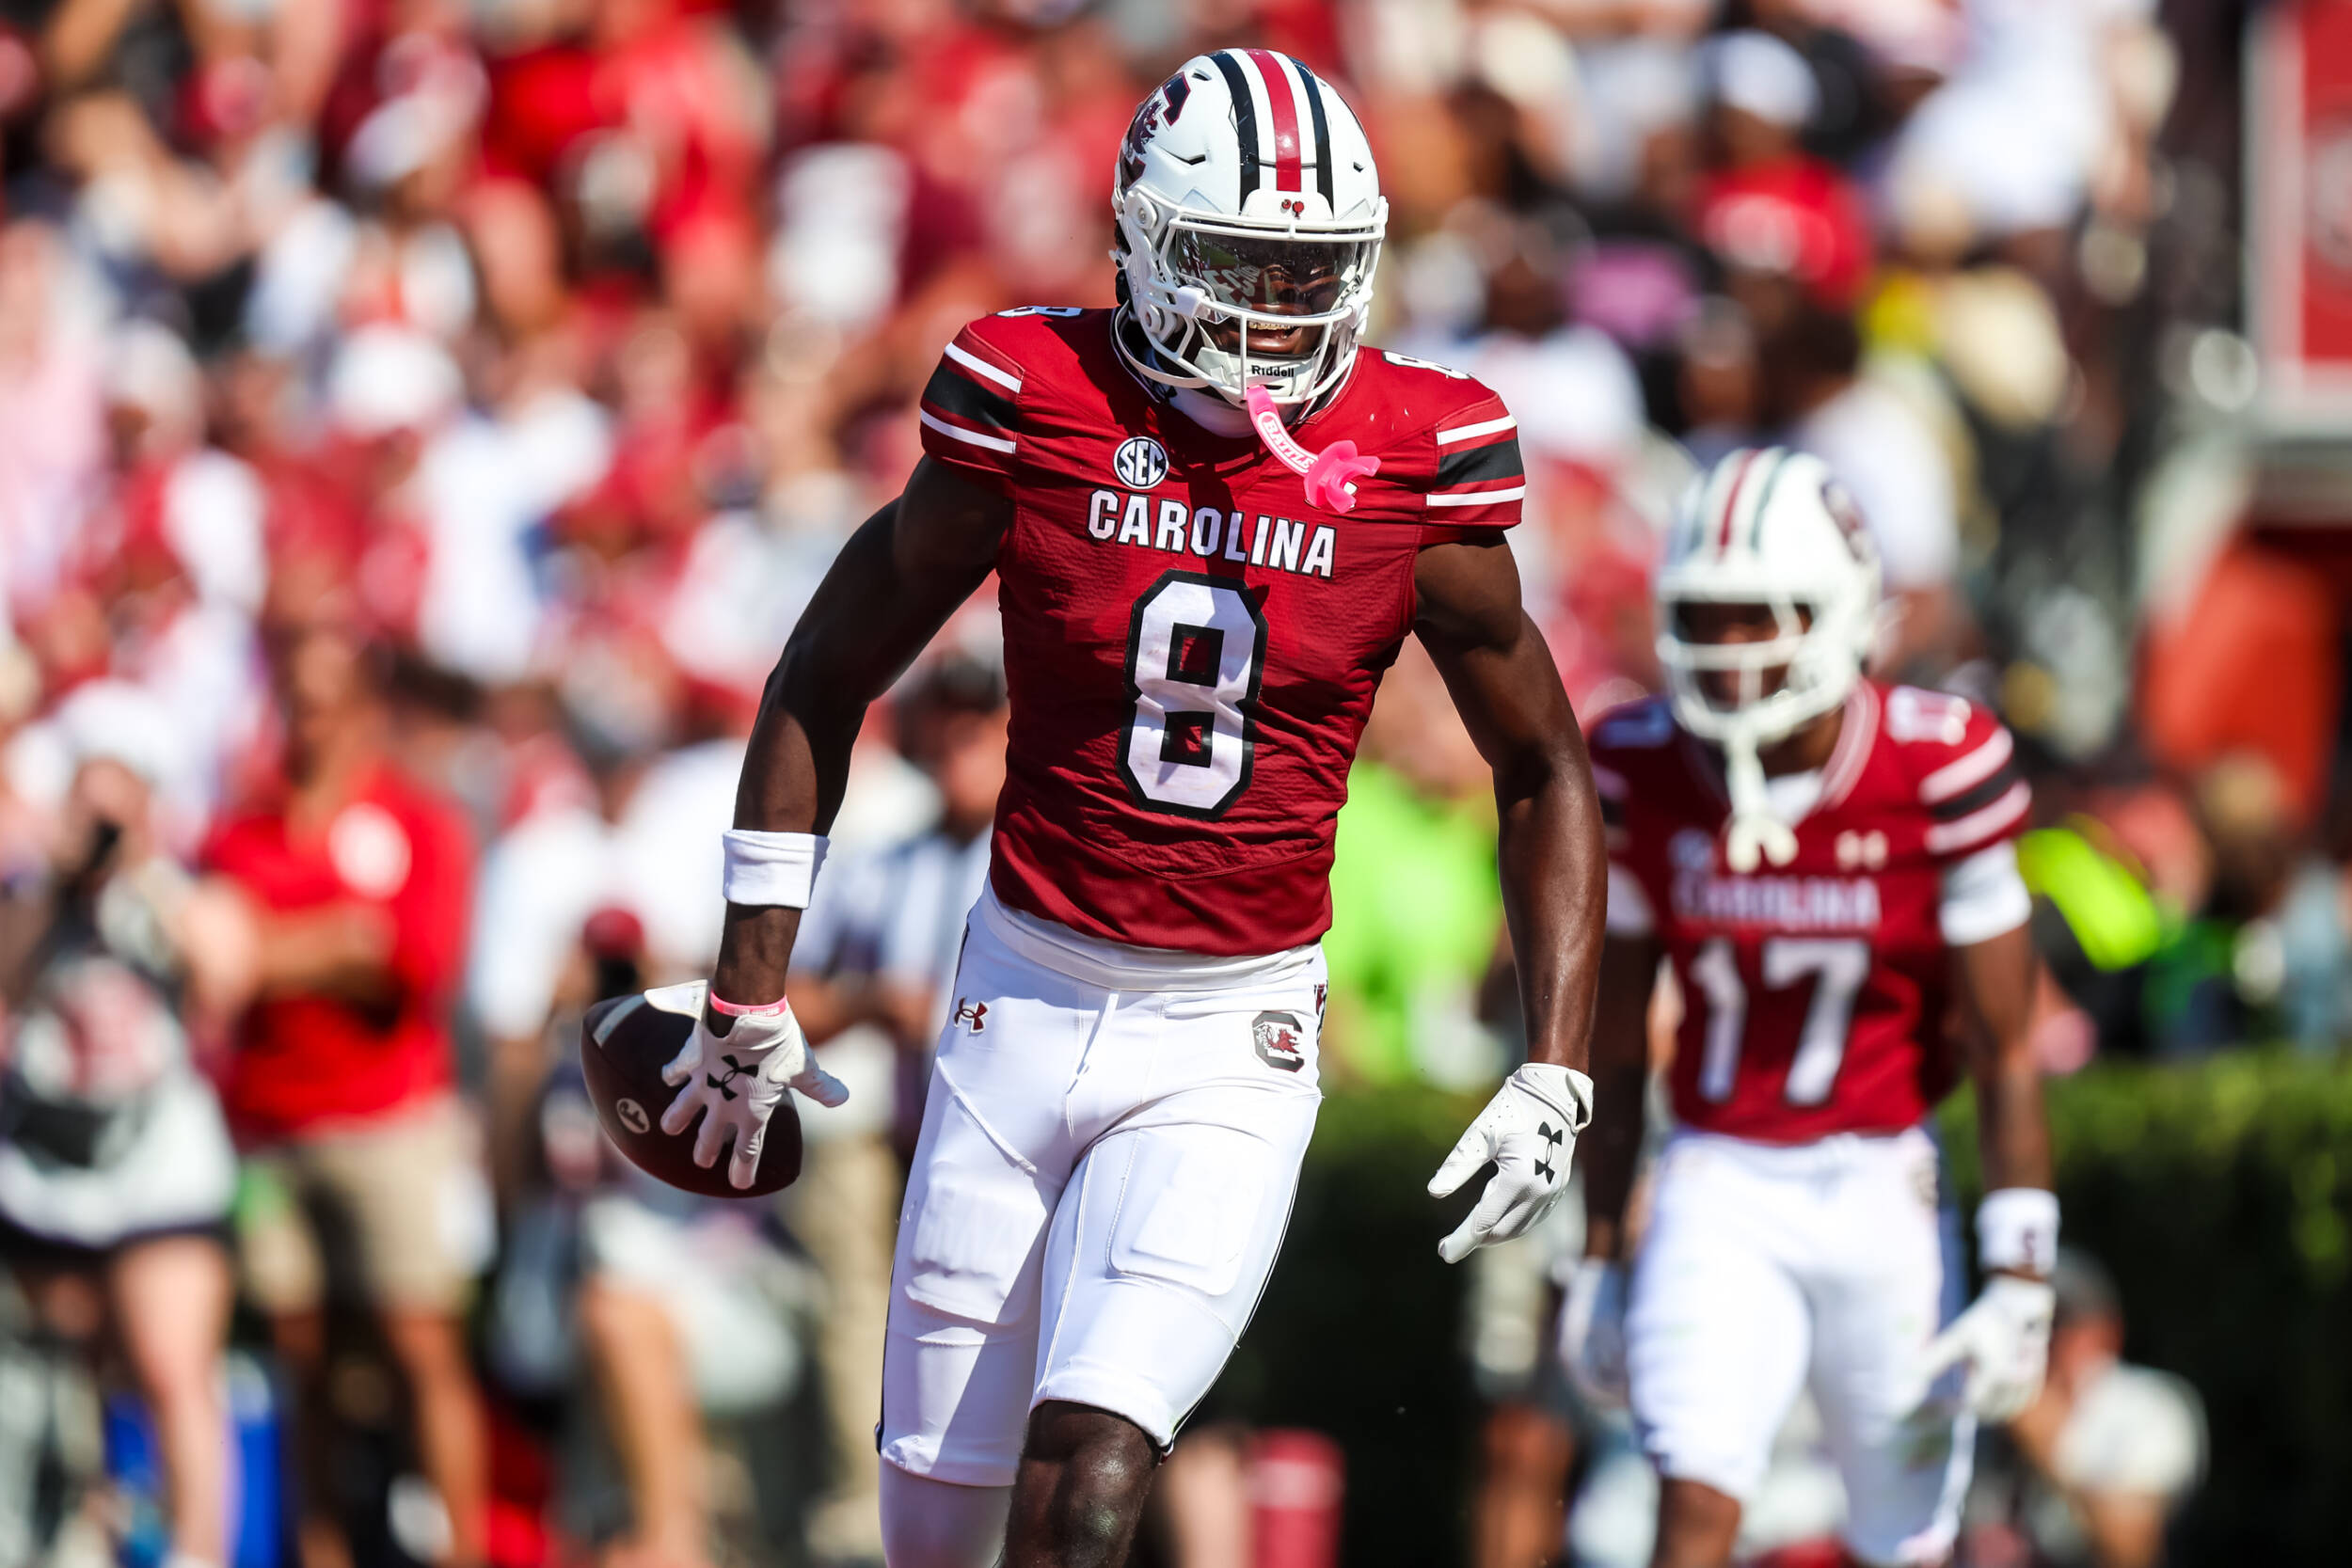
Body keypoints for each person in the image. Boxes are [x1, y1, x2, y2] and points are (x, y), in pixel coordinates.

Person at [644, 49, 1610, 1568]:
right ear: (1145, 242)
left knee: (1089, 1471)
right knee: (933, 1530)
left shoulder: (1412, 458)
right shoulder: (1035, 402)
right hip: (1017, 1000)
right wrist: (748, 983)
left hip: (1231, 1031)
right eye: (1239, 266)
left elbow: (1545, 760)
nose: (1276, 312)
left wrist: (1556, 1062)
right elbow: (825, 668)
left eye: (1311, 273)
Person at [1560, 446, 2058, 1568]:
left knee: (1904, 1537)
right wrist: (1596, 1253)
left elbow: (2005, 1042)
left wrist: (2021, 1267)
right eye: (1706, 615)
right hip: (1718, 1177)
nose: (1729, 646)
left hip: (1883, 1180)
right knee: (1691, 1496)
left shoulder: (1938, 763)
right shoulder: (1638, 761)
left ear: (1836, 612)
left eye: (1759, 614)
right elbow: (1615, 1039)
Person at [199, 589, 489, 1568]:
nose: (310, 719)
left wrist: (271, 948)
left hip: (389, 1119)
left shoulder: (418, 821)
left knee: (419, 1345)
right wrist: (337, 941)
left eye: (327, 699)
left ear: (365, 705)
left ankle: (462, 1549)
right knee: (302, 1356)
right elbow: (217, 963)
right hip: (272, 1124)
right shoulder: (244, 824)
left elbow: (417, 963)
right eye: (297, 698)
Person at [0, 686, 240, 1568]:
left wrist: (141, 867)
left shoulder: (183, 889)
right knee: (67, 1377)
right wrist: (59, 881)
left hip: (161, 1168)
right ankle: (87, 1539)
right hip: (48, 1171)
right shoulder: (29, 895)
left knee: (173, 1365)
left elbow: (227, 978)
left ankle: (197, 1550)